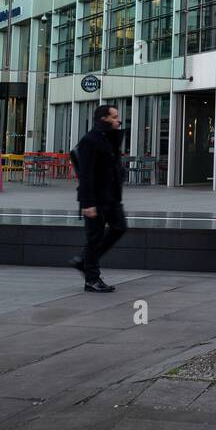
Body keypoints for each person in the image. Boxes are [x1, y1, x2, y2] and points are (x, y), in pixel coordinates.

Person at [70, 104, 125, 293]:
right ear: (104, 119)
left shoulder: (108, 138)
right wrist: (87, 204)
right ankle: (92, 279)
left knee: (119, 227)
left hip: (111, 196)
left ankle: (85, 262)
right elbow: (85, 174)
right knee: (94, 238)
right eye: (115, 117)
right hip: (96, 198)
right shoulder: (90, 140)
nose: (119, 120)